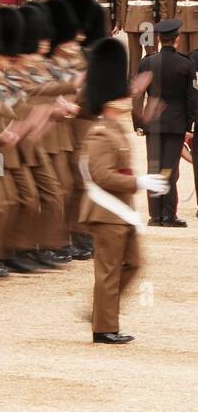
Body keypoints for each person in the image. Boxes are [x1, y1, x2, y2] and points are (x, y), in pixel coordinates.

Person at [77, 37, 167, 344]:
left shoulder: (115, 127)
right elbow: (102, 176)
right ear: (109, 100)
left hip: (119, 210)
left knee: (133, 265)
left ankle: (102, 311)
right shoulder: (102, 132)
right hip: (105, 211)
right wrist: (139, 183)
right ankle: (104, 328)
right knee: (109, 271)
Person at [137, 19, 196, 227]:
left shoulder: (147, 62)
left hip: (152, 122)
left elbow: (138, 95)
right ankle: (168, 215)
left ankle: (154, 215)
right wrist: (190, 126)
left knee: (153, 166)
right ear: (177, 40)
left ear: (160, 40)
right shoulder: (186, 64)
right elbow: (191, 99)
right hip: (176, 123)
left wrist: (139, 122)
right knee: (169, 169)